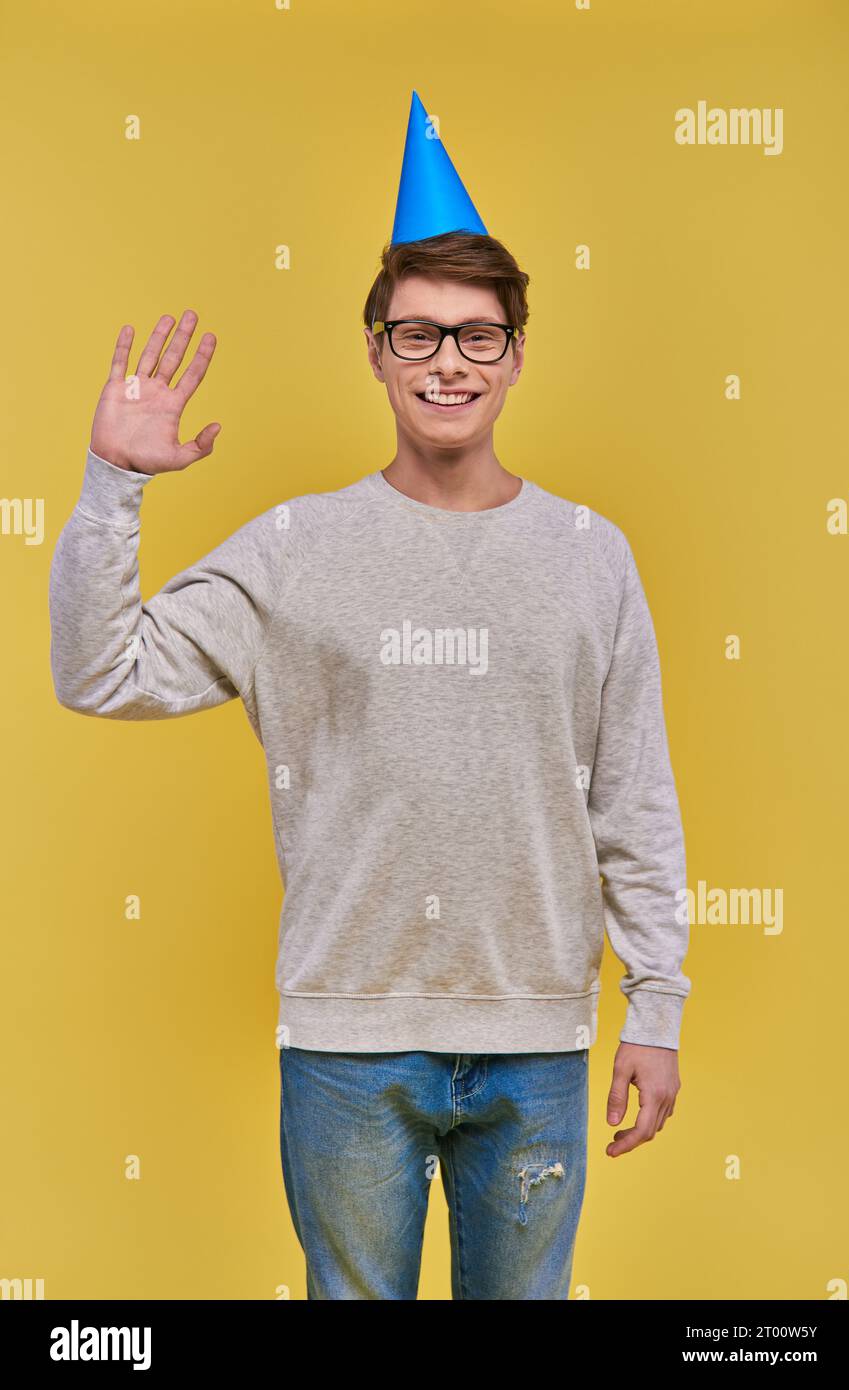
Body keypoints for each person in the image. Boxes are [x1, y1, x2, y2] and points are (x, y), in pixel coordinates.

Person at [48, 91, 690, 1300]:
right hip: (347, 1045)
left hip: (538, 1039)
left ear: (515, 353)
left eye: (477, 334)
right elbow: (99, 670)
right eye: (418, 333)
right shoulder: (294, 548)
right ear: (376, 349)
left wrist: (655, 1006)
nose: (448, 360)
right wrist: (111, 484)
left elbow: (636, 797)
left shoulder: (592, 556)